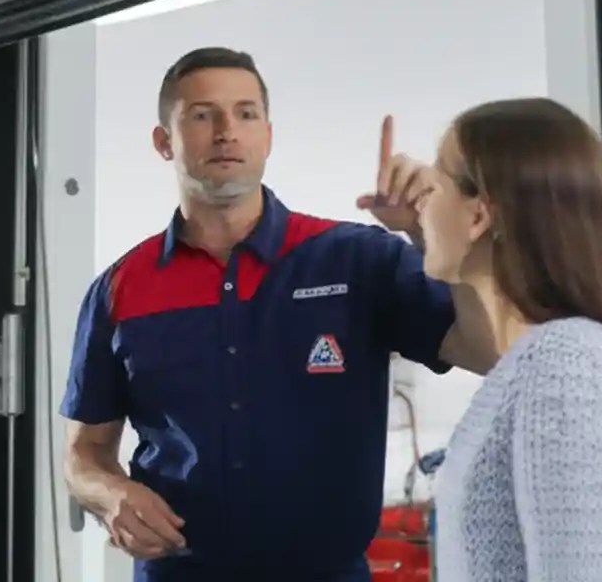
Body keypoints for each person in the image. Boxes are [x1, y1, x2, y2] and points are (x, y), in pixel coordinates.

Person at [59, 46, 495, 582]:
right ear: (163, 141)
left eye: (245, 113)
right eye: (202, 115)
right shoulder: (121, 289)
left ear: (267, 136)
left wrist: (434, 237)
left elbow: (486, 350)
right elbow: (84, 454)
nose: (227, 132)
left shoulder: (358, 261)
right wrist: (111, 494)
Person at [405, 97, 602, 580]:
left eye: (435, 184)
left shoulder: (566, 364)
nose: (421, 203)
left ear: (479, 216)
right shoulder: (558, 358)